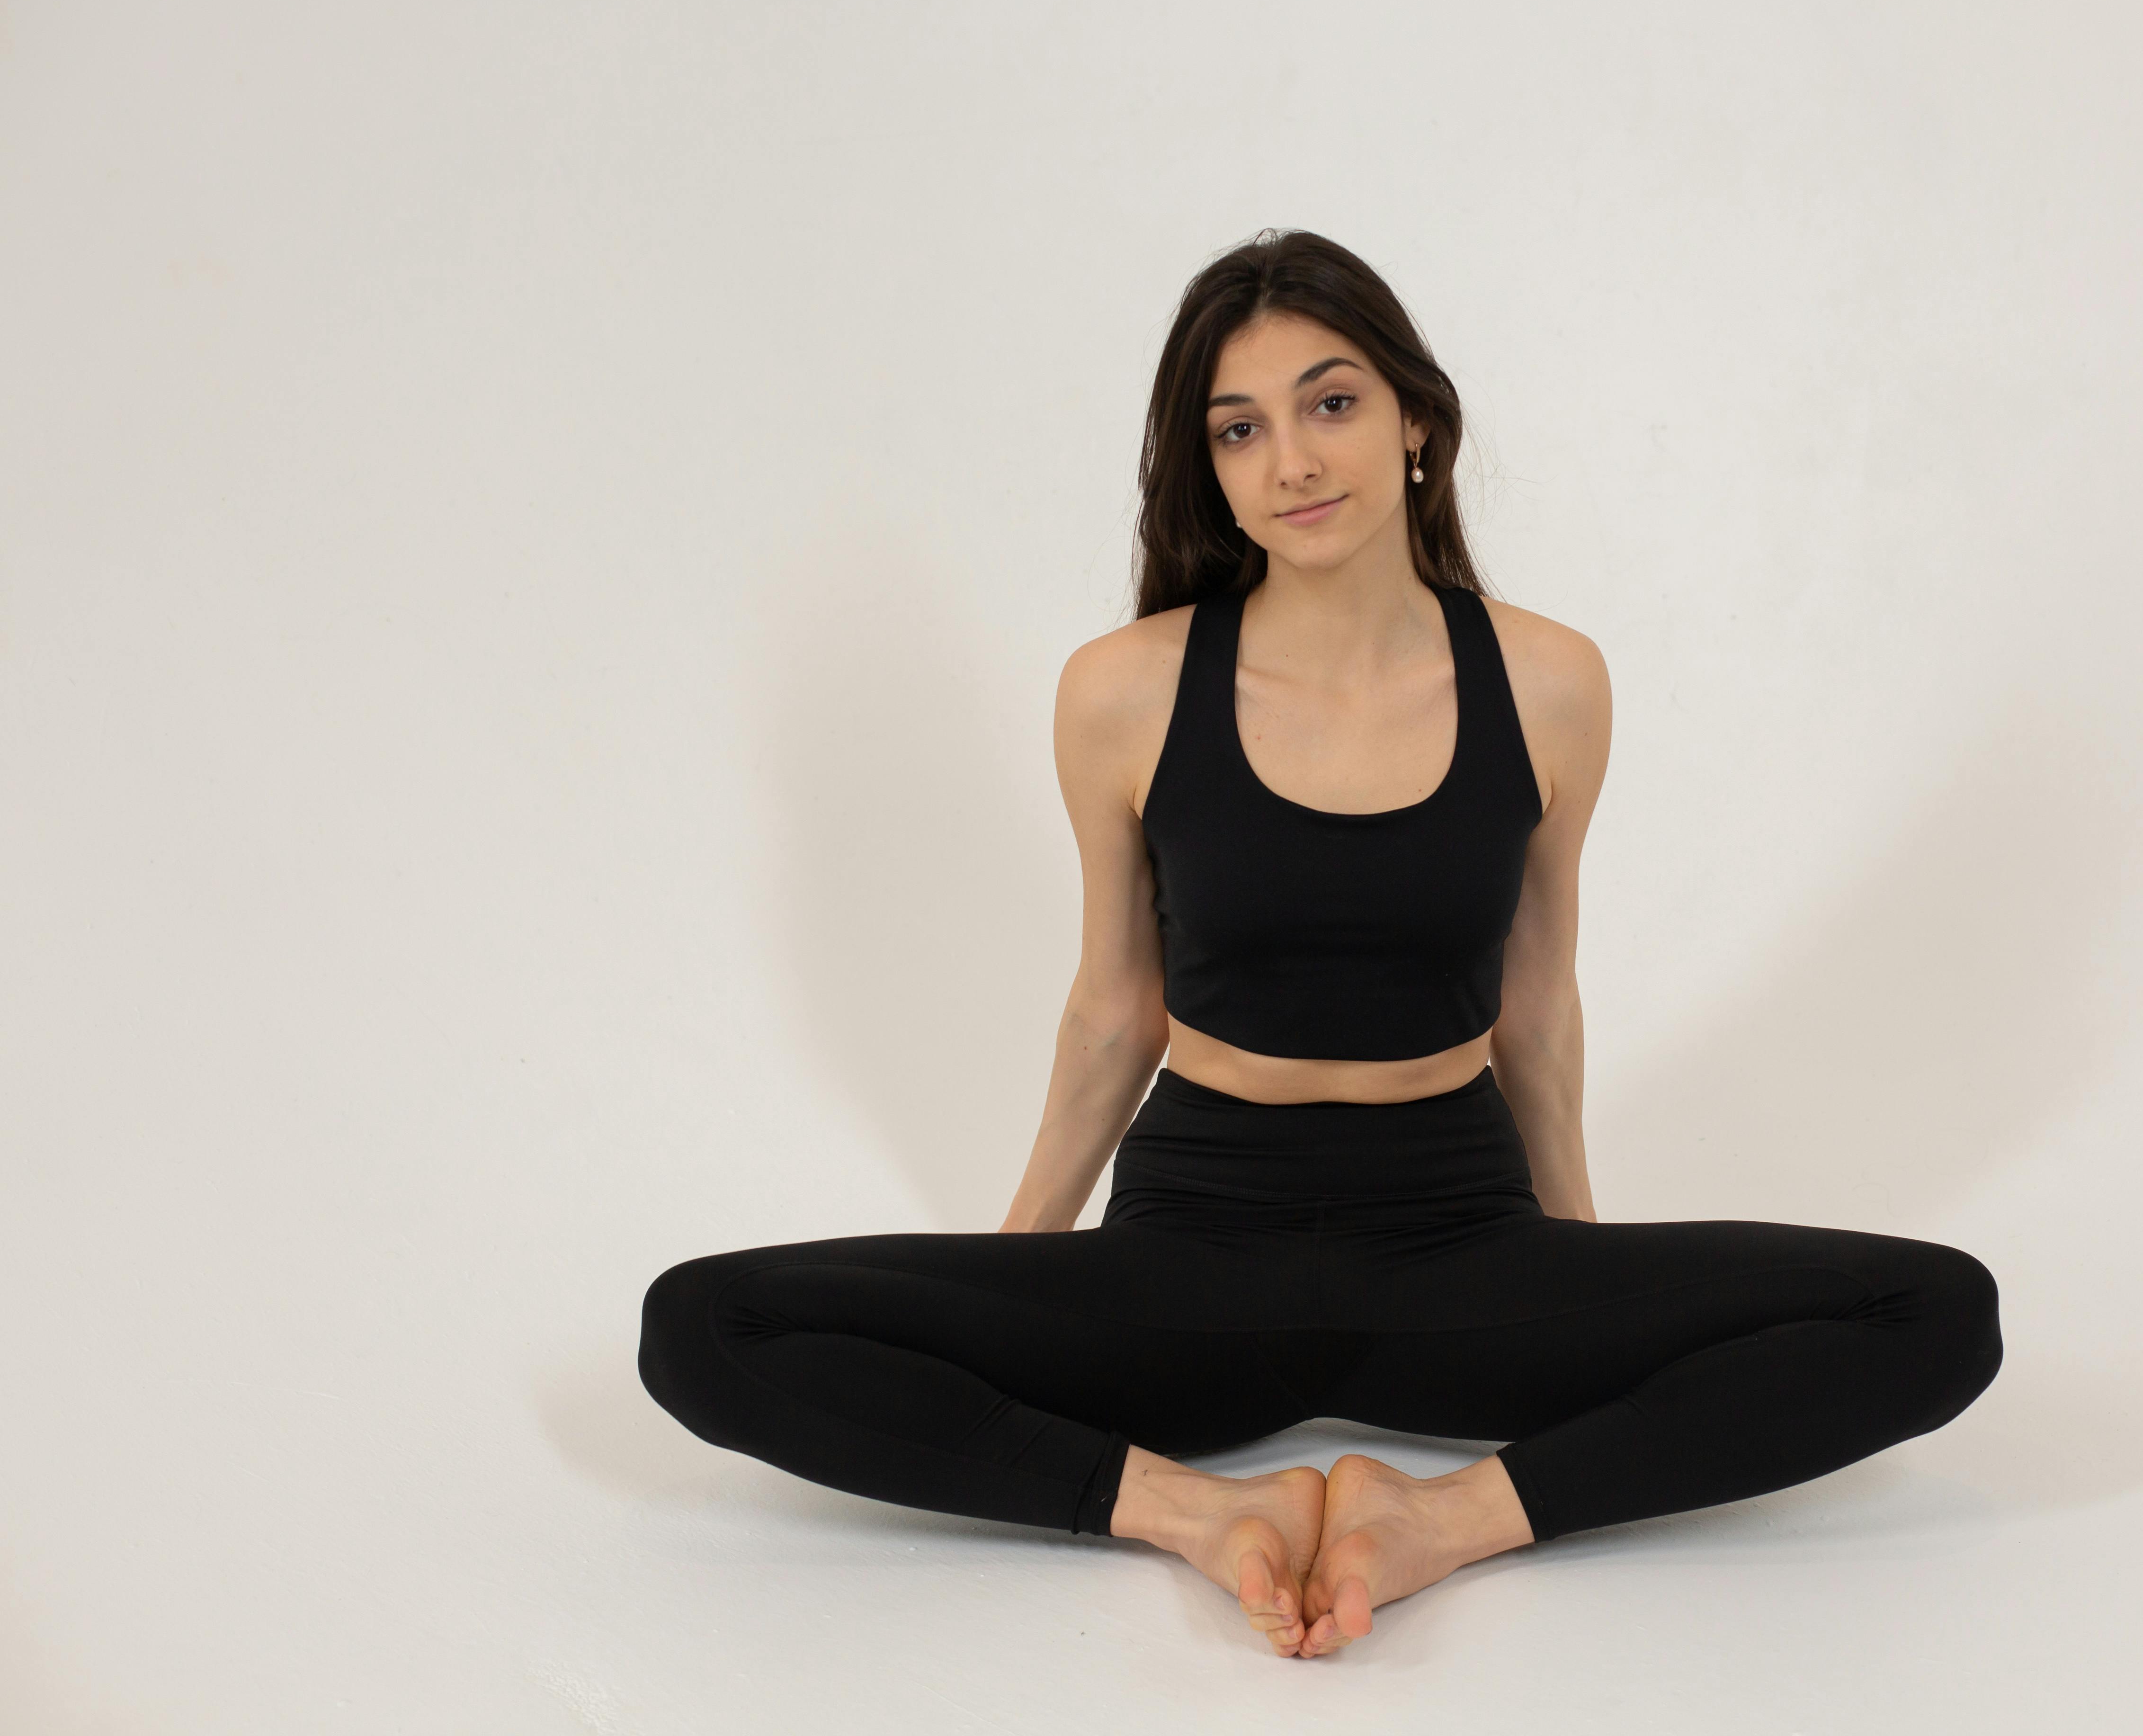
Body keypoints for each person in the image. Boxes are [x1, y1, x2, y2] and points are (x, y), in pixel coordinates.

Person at [638, 229, 2003, 1660]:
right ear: (1210, 468)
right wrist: (1009, 1287)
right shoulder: (1123, 692)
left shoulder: (1550, 683)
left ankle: (1444, 1520)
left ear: (1417, 419)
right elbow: (1116, 1011)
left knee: (1938, 1312)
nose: (1291, 458)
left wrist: (1589, 1281)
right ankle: (1192, 1513)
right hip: (1195, 1256)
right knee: (699, 1327)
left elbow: (1536, 1003)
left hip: (1463, 1241)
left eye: (1331, 402)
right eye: (1241, 428)